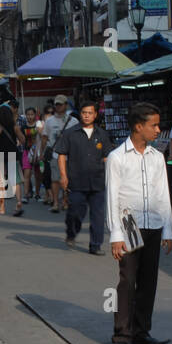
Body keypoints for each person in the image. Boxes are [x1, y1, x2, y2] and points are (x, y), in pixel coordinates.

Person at [106, 102, 172, 344]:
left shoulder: (157, 157)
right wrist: (115, 235)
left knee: (149, 281)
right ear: (138, 126)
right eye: (153, 125)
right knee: (128, 280)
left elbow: (163, 194)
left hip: (154, 222)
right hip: (129, 224)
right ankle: (121, 333)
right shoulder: (117, 157)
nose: (158, 130)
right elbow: (112, 197)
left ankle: (141, 330)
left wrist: (168, 230)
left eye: (158, 124)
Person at [57, 98, 109, 254]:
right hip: (76, 180)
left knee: (98, 215)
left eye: (90, 113)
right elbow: (61, 155)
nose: (86, 116)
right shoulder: (70, 133)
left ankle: (95, 245)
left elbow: (107, 157)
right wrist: (63, 176)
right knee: (75, 212)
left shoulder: (102, 134)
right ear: (80, 114)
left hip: (98, 181)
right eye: (84, 113)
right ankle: (71, 233)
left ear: (95, 115)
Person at [0, 94, 23, 217]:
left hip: (0, 156)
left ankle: (2, 208)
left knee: (1, 181)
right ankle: (19, 202)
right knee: (16, 181)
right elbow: (23, 140)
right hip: (13, 154)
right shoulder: (15, 126)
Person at [41, 95, 74, 212]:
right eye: (56, 104)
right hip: (55, 155)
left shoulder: (73, 121)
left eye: (60, 104)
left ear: (66, 105)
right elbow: (44, 138)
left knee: (68, 179)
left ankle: (65, 201)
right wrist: (41, 153)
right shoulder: (49, 121)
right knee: (55, 179)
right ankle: (55, 202)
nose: (58, 107)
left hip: (70, 156)